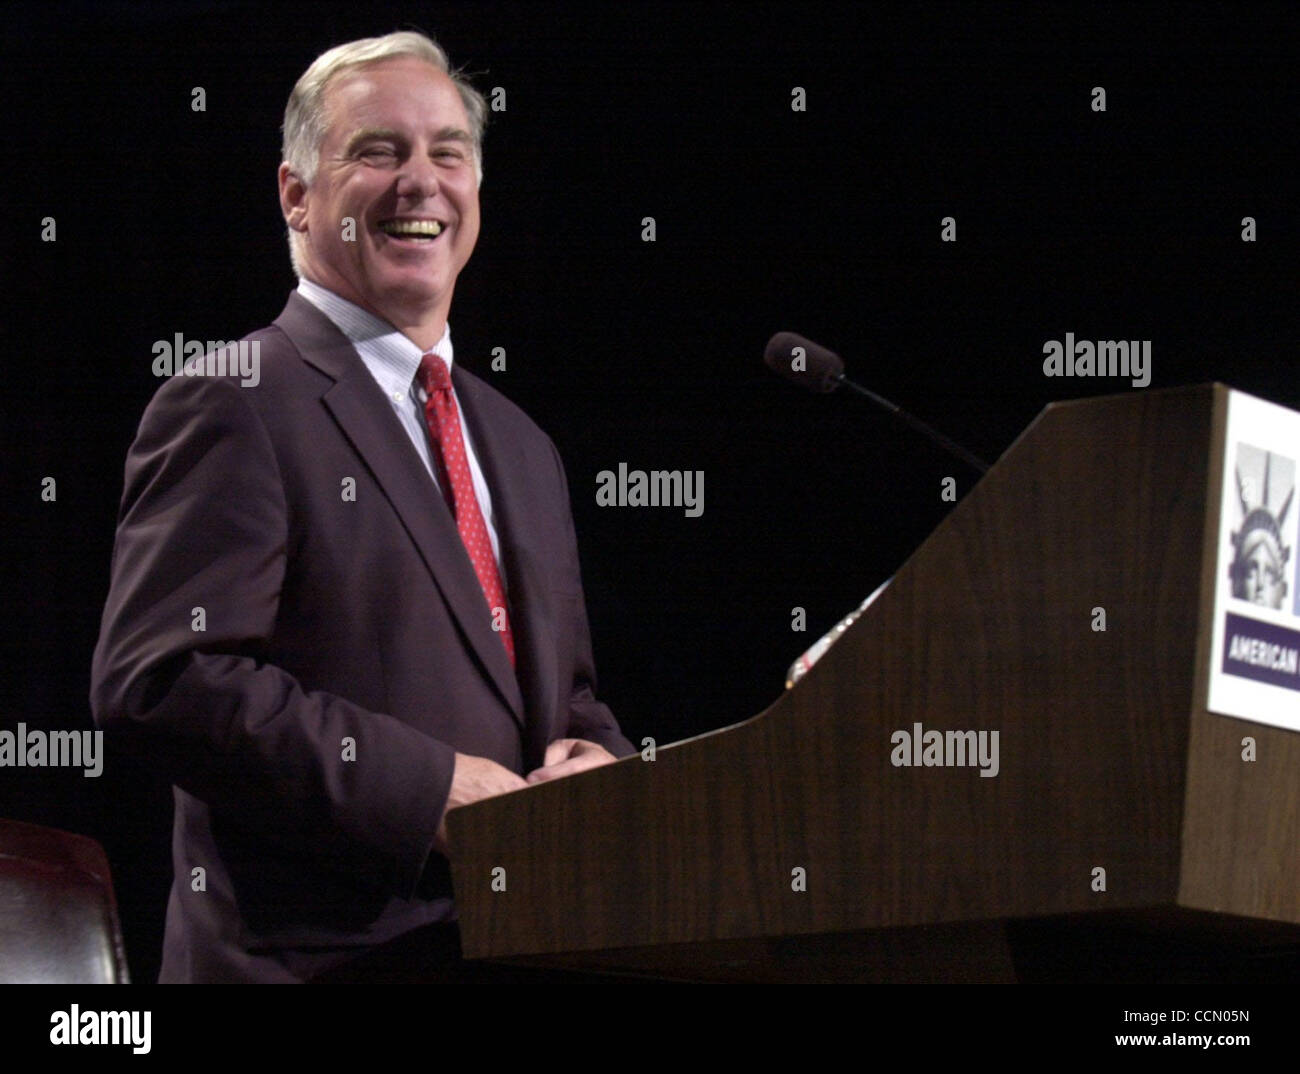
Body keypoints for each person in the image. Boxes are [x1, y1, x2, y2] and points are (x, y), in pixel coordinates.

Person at [90, 30, 635, 983]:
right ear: (297, 196)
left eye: (447, 154)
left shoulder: (521, 446)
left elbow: (565, 694)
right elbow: (168, 678)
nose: (419, 182)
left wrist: (598, 766)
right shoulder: (236, 396)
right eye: (378, 151)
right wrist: (424, 792)